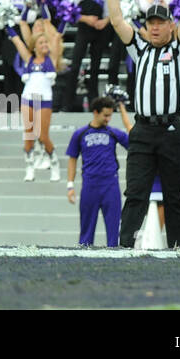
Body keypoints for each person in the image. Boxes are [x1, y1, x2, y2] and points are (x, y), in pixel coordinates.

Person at [105, 0, 180, 249]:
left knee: (175, 195)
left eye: (161, 22)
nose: (155, 27)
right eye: (151, 22)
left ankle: (178, 250)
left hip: (172, 129)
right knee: (135, 193)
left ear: (170, 25)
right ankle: (125, 246)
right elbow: (117, 20)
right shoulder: (140, 48)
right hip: (143, 130)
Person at [65, 95, 132, 247]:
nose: (108, 119)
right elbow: (72, 159)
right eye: (106, 115)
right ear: (95, 112)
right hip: (90, 185)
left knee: (114, 230)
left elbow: (134, 142)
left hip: (111, 185)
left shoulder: (113, 133)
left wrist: (122, 109)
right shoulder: (80, 134)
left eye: (110, 115)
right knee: (86, 231)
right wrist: (70, 186)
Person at [9, 18, 61, 182]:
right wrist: (5, 24)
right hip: (27, 98)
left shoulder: (51, 59)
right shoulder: (29, 59)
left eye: (46, 42)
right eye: (41, 42)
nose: (45, 44)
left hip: (44, 100)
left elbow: (57, 36)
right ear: (35, 46)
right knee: (29, 135)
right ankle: (29, 167)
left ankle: (54, 164)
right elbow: (17, 41)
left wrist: (63, 18)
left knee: (43, 136)